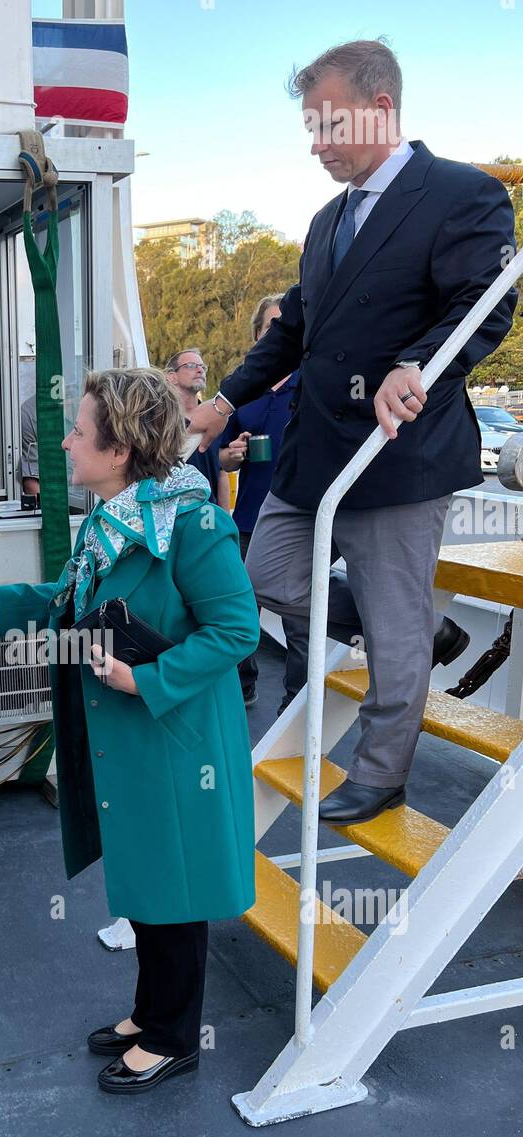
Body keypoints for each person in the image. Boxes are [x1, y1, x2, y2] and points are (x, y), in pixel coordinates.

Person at [193, 39, 516, 826]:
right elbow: (290, 335)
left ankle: (381, 773)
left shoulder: (461, 194)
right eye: (310, 127)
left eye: (327, 123)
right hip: (319, 450)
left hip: (398, 447)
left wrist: (418, 366)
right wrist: (226, 400)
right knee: (260, 575)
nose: (316, 144)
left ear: (380, 107)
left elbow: (486, 302)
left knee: (393, 619)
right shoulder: (323, 222)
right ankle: (417, 629)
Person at [0, 369, 260, 1095]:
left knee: (176, 891)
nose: (67, 441)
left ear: (122, 448)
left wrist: (147, 681)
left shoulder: (193, 524)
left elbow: (237, 629)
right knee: (147, 883)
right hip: (133, 745)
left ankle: (175, 1037)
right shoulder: (111, 522)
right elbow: (68, 604)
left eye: (79, 430)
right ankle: (149, 1012)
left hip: (175, 740)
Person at [217, 295, 309, 712]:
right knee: (239, 612)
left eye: (286, 324)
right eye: (273, 325)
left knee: (300, 620)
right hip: (249, 518)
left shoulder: (309, 383)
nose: (280, 331)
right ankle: (243, 688)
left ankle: (296, 704)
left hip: (300, 519)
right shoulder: (244, 391)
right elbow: (220, 453)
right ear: (258, 334)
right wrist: (231, 455)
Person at [164, 348, 231, 510]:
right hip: (170, 513)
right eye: (191, 365)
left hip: (207, 515)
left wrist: (225, 517)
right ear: (171, 376)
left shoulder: (217, 419)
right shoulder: (160, 422)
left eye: (203, 367)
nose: (200, 370)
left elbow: (222, 473)